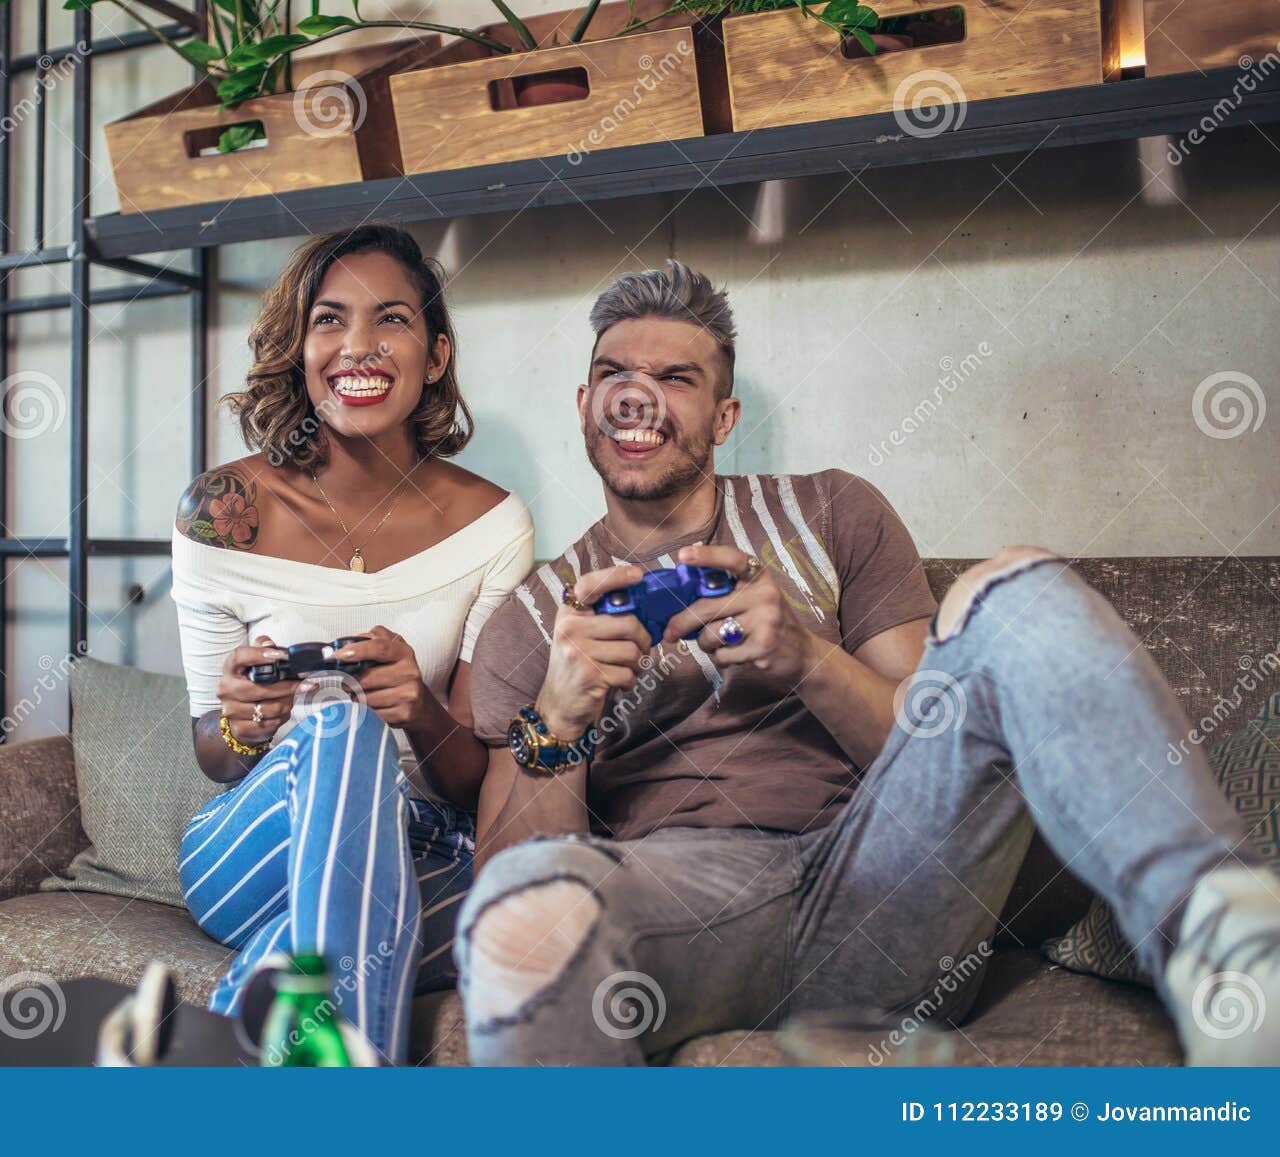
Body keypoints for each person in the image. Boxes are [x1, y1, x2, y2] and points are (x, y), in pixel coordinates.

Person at [456, 259, 1280, 1066]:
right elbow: (503, 889)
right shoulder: (529, 619)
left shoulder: (832, 509)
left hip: (881, 884)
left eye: (676, 377)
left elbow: (941, 738)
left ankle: (1230, 954)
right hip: (677, 907)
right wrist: (559, 719)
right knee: (524, 920)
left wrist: (807, 659)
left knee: (1011, 588)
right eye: (614, 373)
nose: (638, 395)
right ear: (583, 404)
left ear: (725, 415)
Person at [171, 224, 534, 1065]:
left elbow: (473, 778)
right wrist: (242, 723)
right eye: (329, 320)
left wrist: (422, 710)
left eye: (392, 320)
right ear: (299, 348)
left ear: (436, 355)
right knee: (343, 728)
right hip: (251, 839)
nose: (358, 347)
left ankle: (220, 1068)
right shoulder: (221, 509)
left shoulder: (494, 526)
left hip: (421, 845)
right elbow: (211, 753)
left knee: (499, 897)